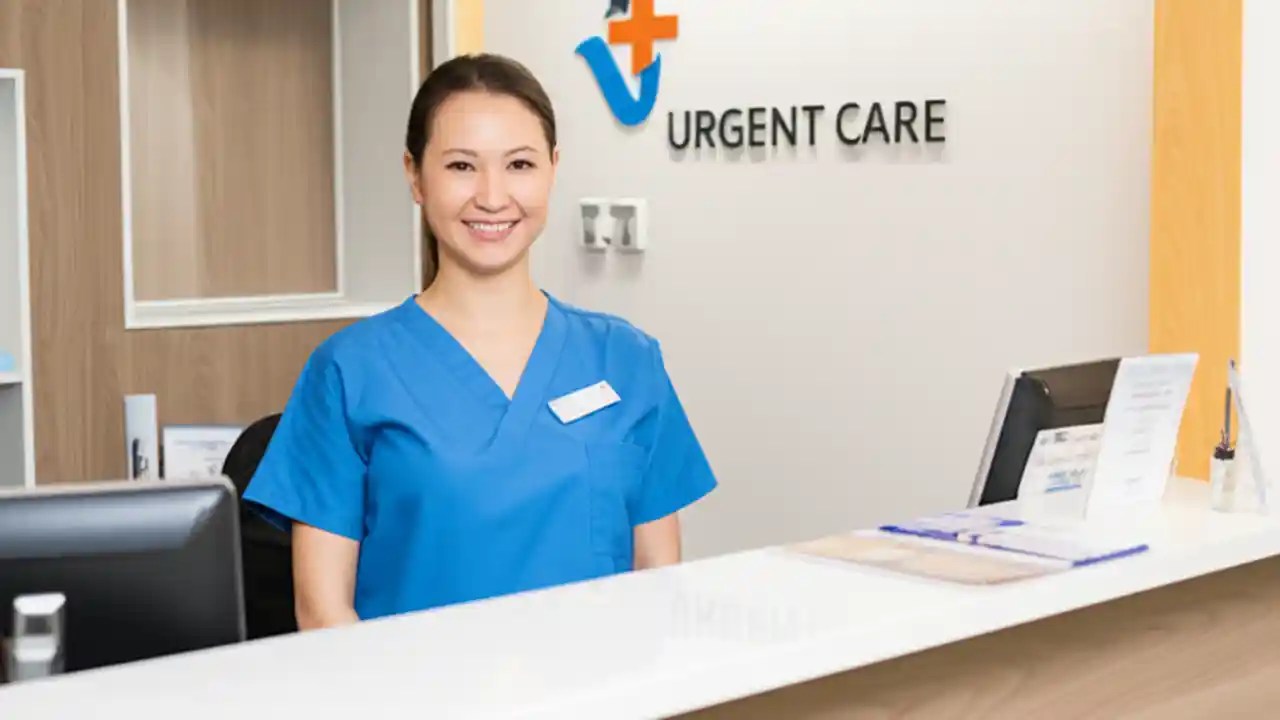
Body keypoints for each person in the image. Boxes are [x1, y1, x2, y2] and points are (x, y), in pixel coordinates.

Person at [243, 53, 718, 629]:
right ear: (415, 175)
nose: (493, 196)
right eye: (462, 166)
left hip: (603, 679)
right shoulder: (349, 371)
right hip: (417, 684)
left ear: (553, 168)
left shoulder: (627, 360)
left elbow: (659, 580)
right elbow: (323, 612)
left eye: (519, 164)